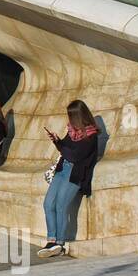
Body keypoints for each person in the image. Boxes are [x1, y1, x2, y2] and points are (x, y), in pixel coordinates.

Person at [39, 100, 101, 257]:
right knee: (48, 204)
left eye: (71, 116)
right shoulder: (73, 131)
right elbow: (65, 149)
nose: (69, 119)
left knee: (61, 206)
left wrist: (62, 146)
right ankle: (51, 240)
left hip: (75, 173)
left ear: (78, 116)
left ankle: (59, 243)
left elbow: (75, 156)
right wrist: (57, 141)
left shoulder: (91, 135)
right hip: (62, 169)